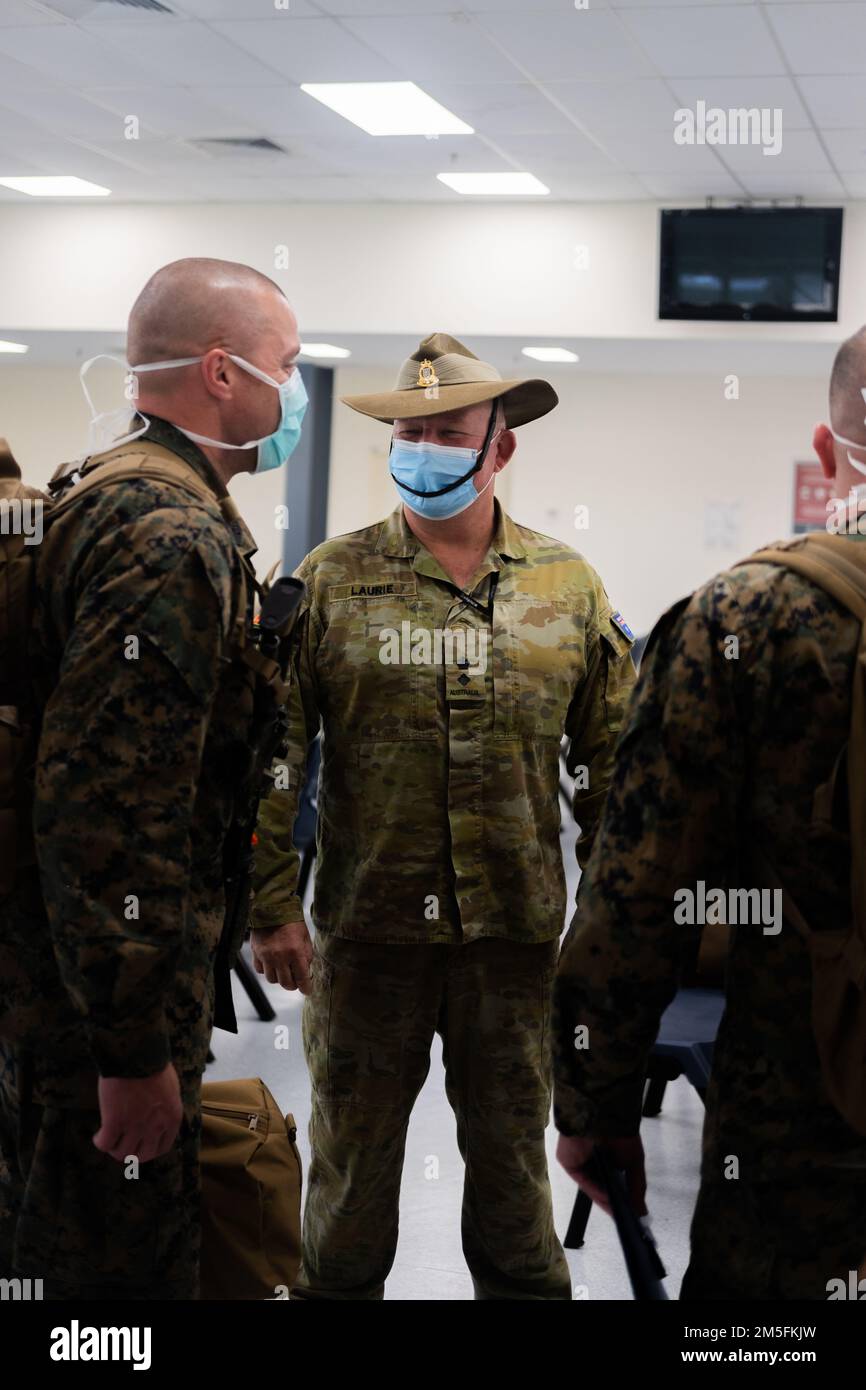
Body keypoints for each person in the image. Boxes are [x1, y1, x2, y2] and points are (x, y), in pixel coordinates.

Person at [250, 332, 636, 1300]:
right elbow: (272, 755)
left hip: (512, 936)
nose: (420, 446)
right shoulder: (330, 581)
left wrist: (612, 927)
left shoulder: (566, 584)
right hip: (365, 934)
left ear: (497, 448)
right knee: (348, 1180)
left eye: (445, 431)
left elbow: (610, 768)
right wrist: (267, 905)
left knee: (511, 1178)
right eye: (406, 430)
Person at [0, 257, 305, 1299]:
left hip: (53, 988)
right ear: (221, 372)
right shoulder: (171, 535)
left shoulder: (99, 485)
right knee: (108, 1277)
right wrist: (130, 1049)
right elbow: (107, 808)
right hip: (93, 1016)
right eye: (288, 364)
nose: (293, 390)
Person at [553, 326, 866, 1300]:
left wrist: (595, 1100)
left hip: (803, 1111)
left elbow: (638, 885)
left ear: (826, 456)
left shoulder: (747, 616)